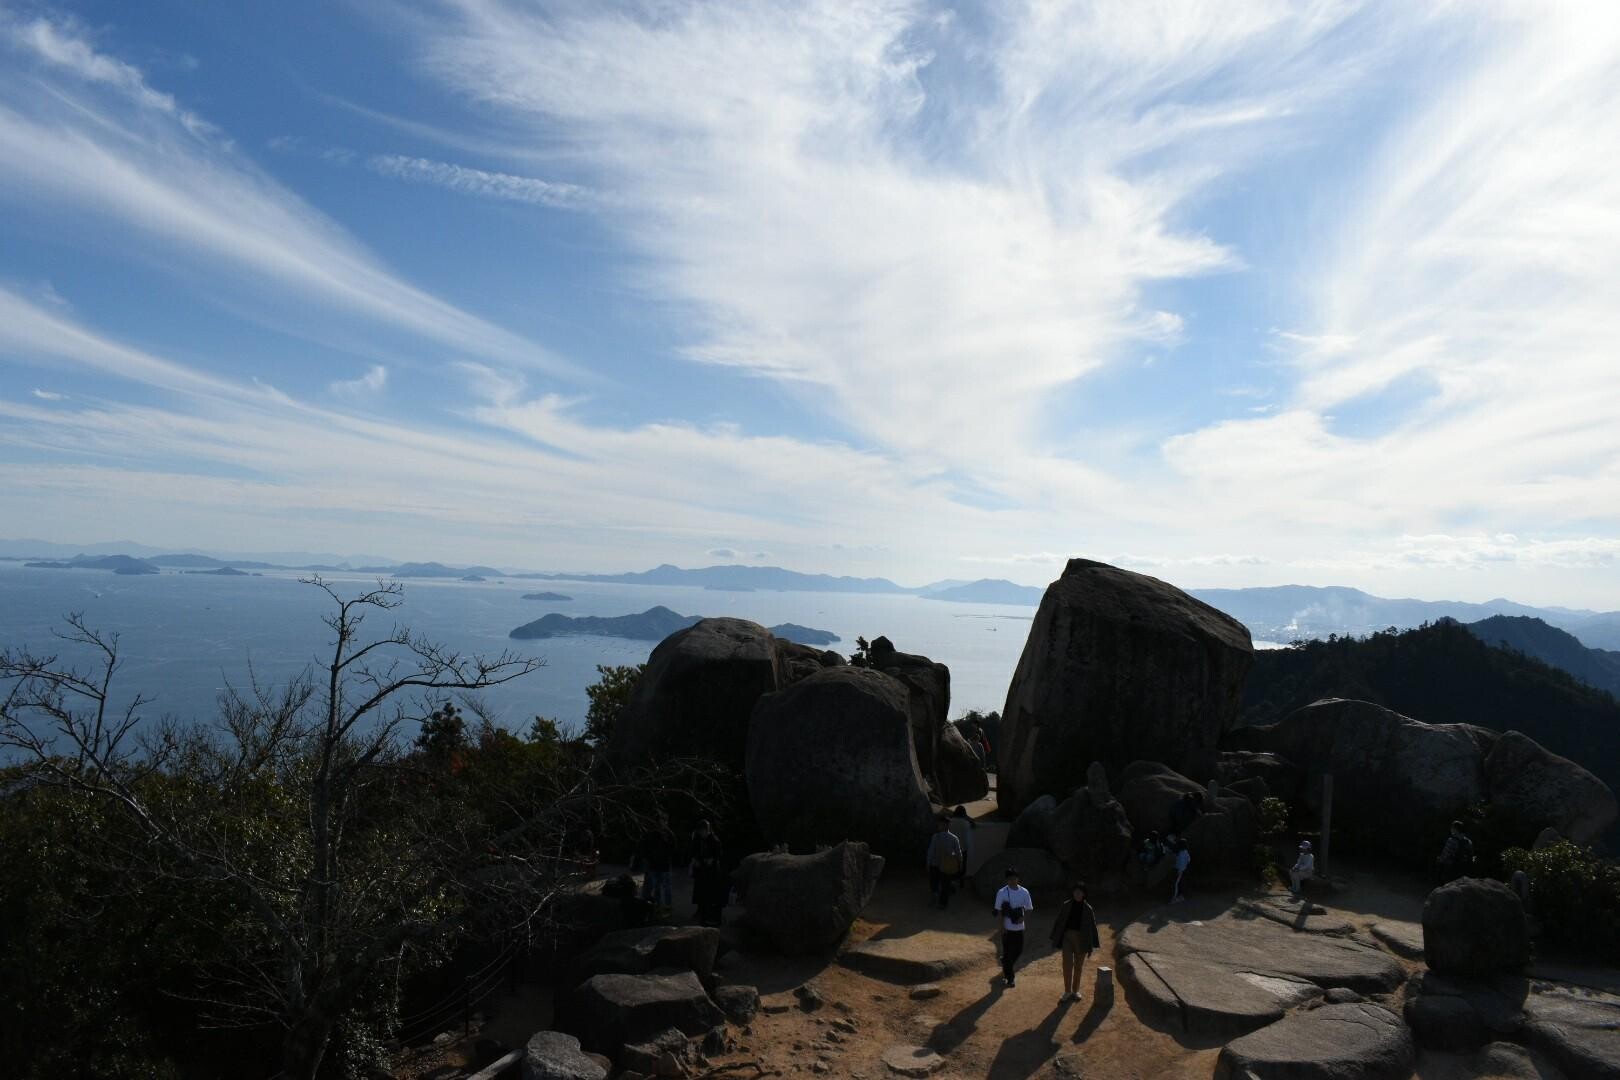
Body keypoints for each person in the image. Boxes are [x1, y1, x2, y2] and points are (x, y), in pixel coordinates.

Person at [1049, 881, 1101, 1003]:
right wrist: (1055, 937)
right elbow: (1059, 921)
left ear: (1084, 894)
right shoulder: (1066, 905)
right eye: (1075, 892)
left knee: (1078, 966)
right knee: (1067, 964)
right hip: (1067, 937)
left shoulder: (1088, 909)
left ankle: (1075, 990)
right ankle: (1067, 991)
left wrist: (1093, 943)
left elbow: (1092, 927)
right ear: (1073, 893)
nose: (1077, 894)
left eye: (1080, 892)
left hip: (1081, 939)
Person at [993, 867, 1035, 986]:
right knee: (1007, 952)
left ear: (1018, 879)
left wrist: (1023, 918)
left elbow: (1029, 909)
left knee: (1018, 950)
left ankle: (1006, 962)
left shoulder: (1024, 892)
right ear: (1007, 880)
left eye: (1014, 878)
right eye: (1010, 879)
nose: (1012, 880)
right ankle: (1010, 978)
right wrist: (1002, 927)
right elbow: (999, 911)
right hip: (1007, 928)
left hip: (1019, 927)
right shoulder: (1002, 893)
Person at [689, 819, 726, 927]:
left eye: (703, 831)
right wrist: (695, 859)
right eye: (700, 831)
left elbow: (719, 854)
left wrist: (712, 860)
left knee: (709, 894)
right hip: (700, 870)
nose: (702, 833)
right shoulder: (697, 839)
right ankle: (700, 912)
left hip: (711, 871)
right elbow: (693, 851)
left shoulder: (714, 840)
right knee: (700, 892)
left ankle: (708, 916)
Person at [636, 822, 675, 917]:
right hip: (654, 865)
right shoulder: (652, 834)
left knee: (666, 888)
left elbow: (673, 847)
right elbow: (644, 847)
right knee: (657, 888)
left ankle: (667, 908)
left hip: (663, 865)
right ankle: (658, 907)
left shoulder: (668, 834)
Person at [926, 814, 964, 910]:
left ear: (944, 825)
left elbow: (930, 851)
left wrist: (928, 863)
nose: (939, 826)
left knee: (934, 882)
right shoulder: (954, 838)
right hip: (947, 865)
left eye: (940, 824)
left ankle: (935, 895)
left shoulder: (935, 836)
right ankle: (942, 903)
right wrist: (960, 863)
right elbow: (958, 853)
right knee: (945, 884)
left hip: (935, 864)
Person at [948, 805, 974, 891]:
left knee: (952, 867)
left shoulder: (950, 822)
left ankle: (951, 883)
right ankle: (961, 883)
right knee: (962, 867)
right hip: (962, 849)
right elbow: (967, 838)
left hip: (951, 849)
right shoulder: (965, 824)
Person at [1170, 838, 1191, 903]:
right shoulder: (1185, 852)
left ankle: (1174, 898)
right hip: (1183, 870)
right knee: (1180, 884)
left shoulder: (1181, 853)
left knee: (1176, 884)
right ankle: (1181, 896)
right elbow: (1188, 860)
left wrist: (1179, 871)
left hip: (1179, 871)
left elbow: (1181, 863)